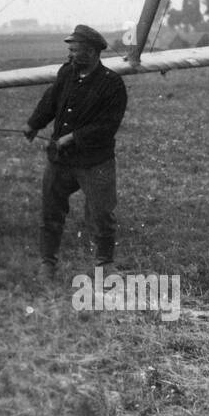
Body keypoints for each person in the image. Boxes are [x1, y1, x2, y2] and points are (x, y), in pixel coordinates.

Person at [23, 24, 128, 277]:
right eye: (69, 50)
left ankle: (105, 264)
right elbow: (50, 100)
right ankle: (47, 263)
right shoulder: (67, 73)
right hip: (60, 160)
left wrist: (73, 137)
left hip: (95, 162)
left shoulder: (112, 84)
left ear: (92, 53)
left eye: (75, 50)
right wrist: (34, 124)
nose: (69, 55)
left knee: (101, 214)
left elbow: (107, 126)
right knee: (50, 211)